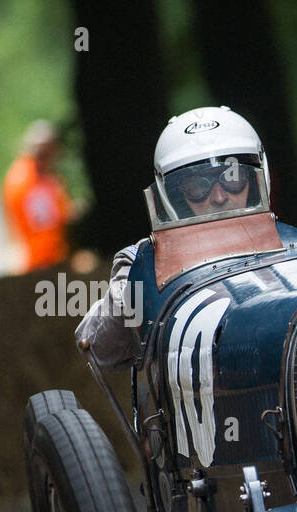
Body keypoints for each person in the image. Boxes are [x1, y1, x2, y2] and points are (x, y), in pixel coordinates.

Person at [76, 106, 272, 368]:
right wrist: (132, 289)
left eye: (232, 177)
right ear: (174, 193)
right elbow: (96, 347)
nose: (219, 196)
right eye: (199, 185)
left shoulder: (292, 245)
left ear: (256, 175)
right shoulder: (146, 262)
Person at [2, 120, 76, 272]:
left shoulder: (39, 177)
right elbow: (46, 221)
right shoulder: (26, 179)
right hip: (40, 264)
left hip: (50, 260)